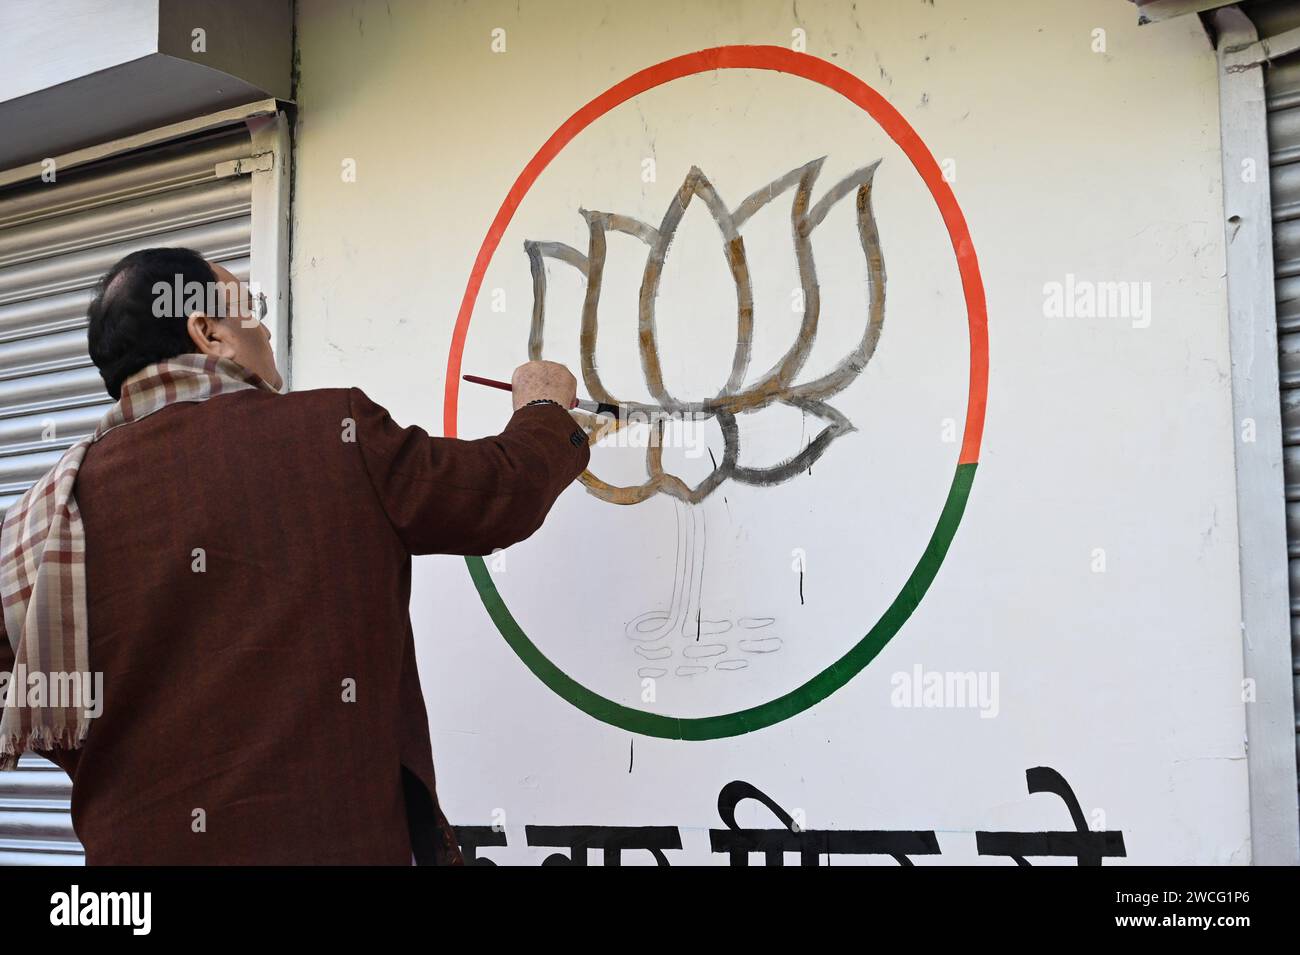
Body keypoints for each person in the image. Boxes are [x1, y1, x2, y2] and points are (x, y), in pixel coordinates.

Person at [0, 247, 589, 864]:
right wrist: (544, 409)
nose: (265, 326)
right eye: (248, 308)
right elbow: (497, 493)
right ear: (208, 333)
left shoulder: (47, 517)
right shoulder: (333, 434)